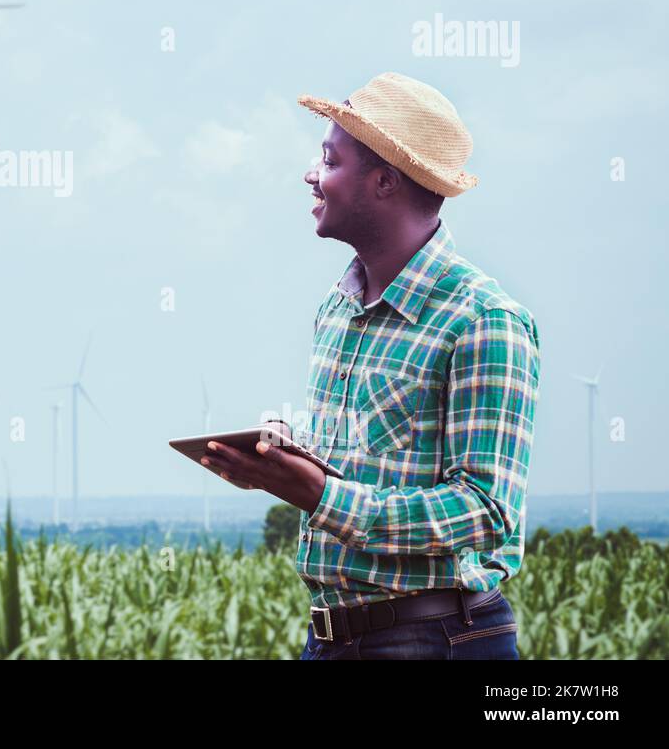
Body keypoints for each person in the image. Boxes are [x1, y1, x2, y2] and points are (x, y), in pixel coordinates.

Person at [199, 72, 540, 660]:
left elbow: (485, 510)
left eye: (329, 161)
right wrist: (290, 456)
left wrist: (320, 495)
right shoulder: (336, 309)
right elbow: (371, 460)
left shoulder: (485, 321)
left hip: (436, 639)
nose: (311, 175)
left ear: (384, 182)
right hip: (331, 638)